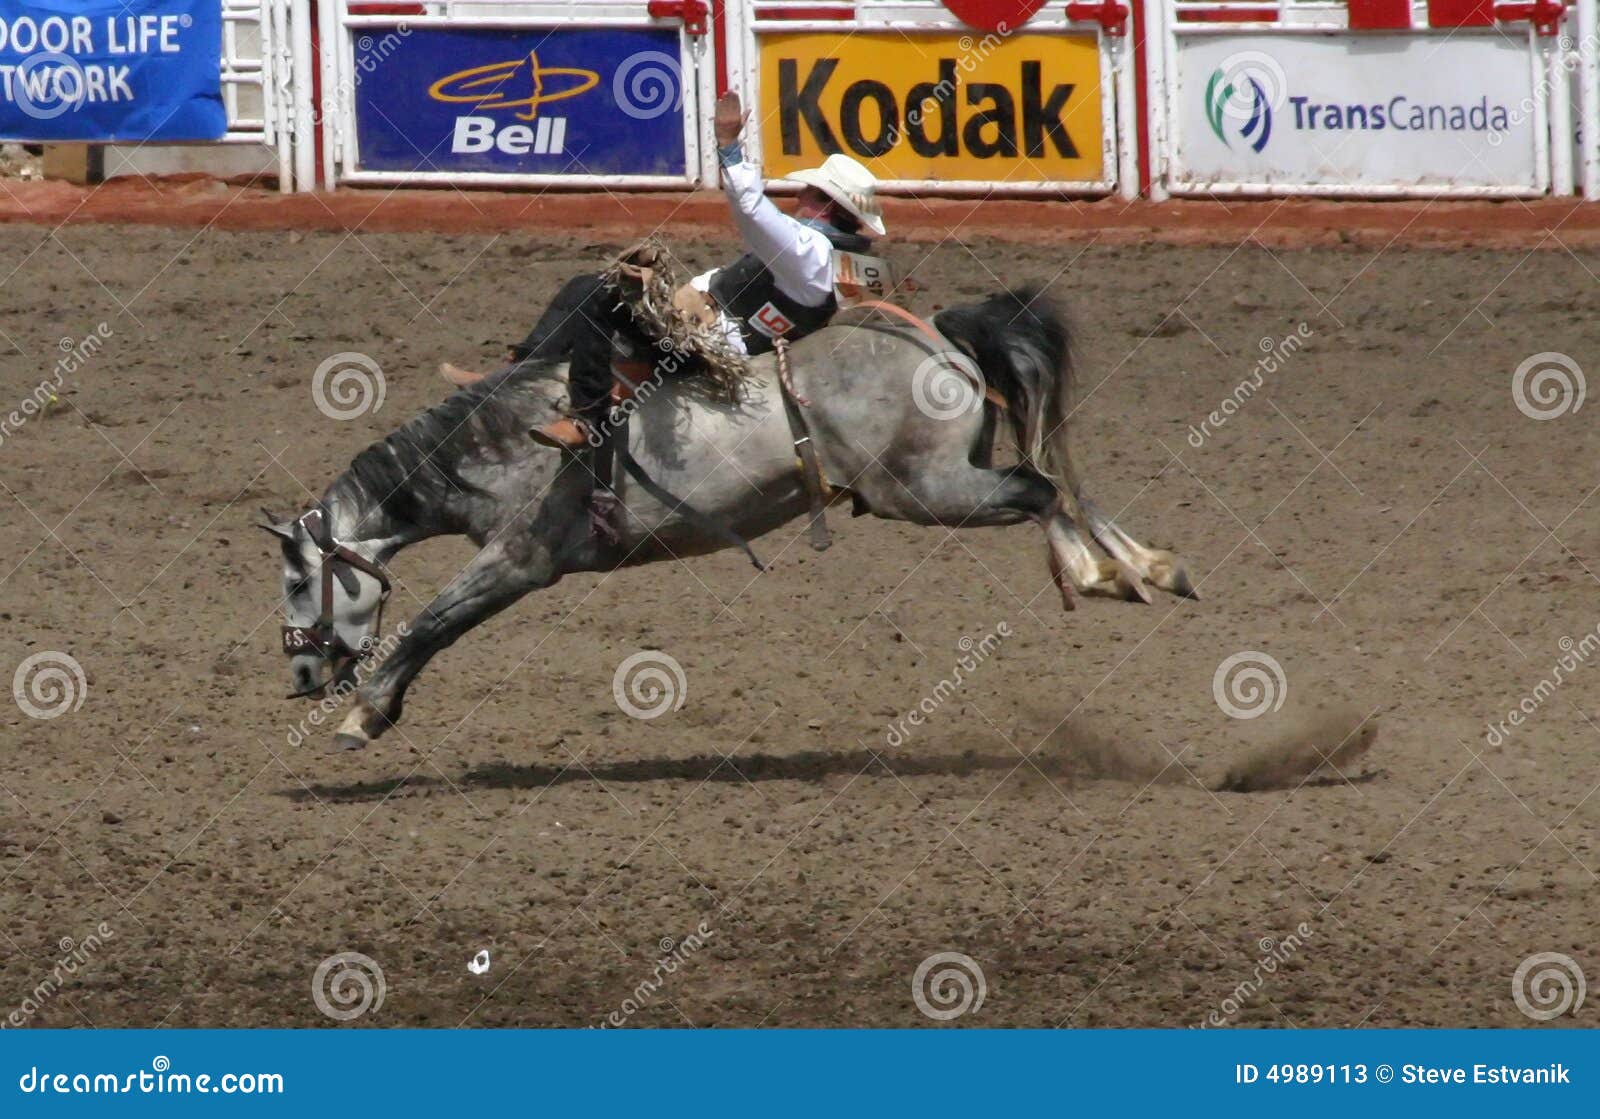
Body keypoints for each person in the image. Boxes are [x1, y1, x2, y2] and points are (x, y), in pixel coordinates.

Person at [440, 91, 887, 451]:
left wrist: (729, 146)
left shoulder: (809, 251)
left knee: (600, 298)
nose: (799, 197)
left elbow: (751, 209)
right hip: (707, 325)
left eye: (808, 192)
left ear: (825, 205)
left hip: (705, 339)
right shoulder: (828, 260)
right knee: (590, 287)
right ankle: (514, 376)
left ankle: (586, 417)